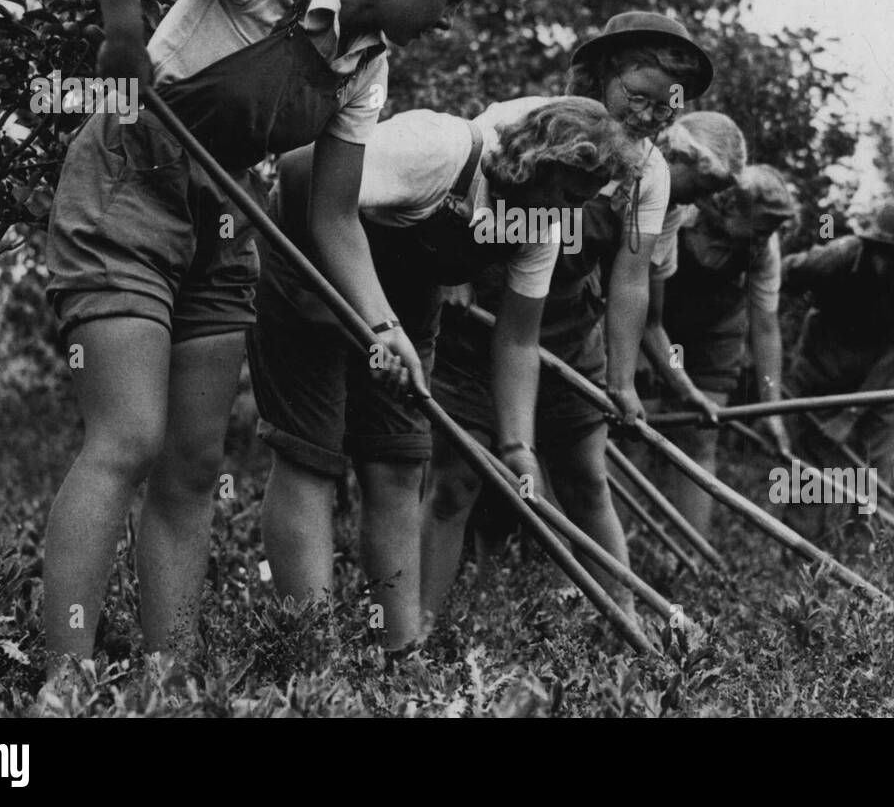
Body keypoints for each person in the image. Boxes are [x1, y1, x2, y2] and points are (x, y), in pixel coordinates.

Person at [41, 0, 508, 673]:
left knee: (193, 461)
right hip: (127, 184)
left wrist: (384, 327)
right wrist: (123, 29)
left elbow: (333, 217)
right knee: (128, 436)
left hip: (223, 223)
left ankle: (170, 676)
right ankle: (63, 677)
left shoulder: (366, 69)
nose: (450, 18)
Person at [249, 98, 638, 655]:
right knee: (313, 455)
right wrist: (350, 311)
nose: (572, 213)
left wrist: (517, 444)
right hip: (308, 267)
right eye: (572, 194)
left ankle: (398, 650)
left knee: (401, 462)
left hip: (406, 303)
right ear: (540, 163)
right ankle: (315, 656)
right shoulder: (437, 150)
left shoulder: (540, 226)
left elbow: (518, 339)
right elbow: (298, 171)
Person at [429, 11, 715, 621]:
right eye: (638, 97)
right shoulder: (517, 121)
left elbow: (630, 278)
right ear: (602, 73)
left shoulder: (648, 174)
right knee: (457, 480)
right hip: (479, 321)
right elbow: (454, 204)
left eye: (667, 109)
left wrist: (621, 379)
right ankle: (422, 629)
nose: (647, 119)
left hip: (565, 330)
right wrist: (451, 275)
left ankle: (625, 616)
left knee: (585, 475)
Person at [643, 153, 798, 537]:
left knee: (701, 433)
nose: (766, 237)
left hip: (714, 334)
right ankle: (618, 558)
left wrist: (771, 406)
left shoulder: (764, 249)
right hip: (649, 319)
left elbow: (764, 327)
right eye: (761, 226)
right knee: (634, 425)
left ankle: (692, 554)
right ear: (730, 203)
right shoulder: (679, 212)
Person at [780, 198, 894, 493]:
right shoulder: (834, 259)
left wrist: (850, 414)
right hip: (823, 365)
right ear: (876, 250)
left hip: (885, 374)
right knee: (809, 469)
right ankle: (798, 537)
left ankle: (869, 536)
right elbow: (775, 279)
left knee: (879, 473)